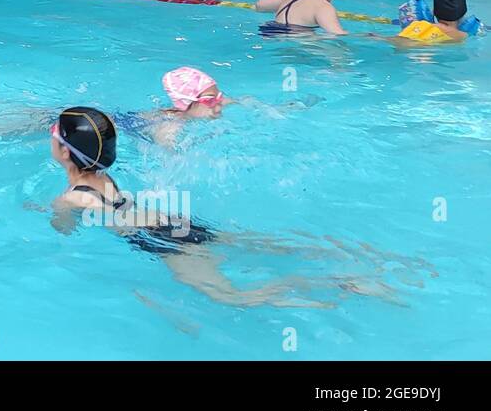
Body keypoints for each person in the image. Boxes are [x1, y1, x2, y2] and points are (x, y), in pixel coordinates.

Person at [47, 107, 388, 308]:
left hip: (160, 241)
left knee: (233, 297)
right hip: (175, 221)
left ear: (64, 152)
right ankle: (334, 256)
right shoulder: (106, 177)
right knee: (254, 244)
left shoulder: (70, 197)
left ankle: (338, 286)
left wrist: (50, 214)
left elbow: (65, 230)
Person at [112, 67, 233, 148]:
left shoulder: (207, 106)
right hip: (121, 125)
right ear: (185, 103)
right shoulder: (170, 127)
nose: (218, 106)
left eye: (219, 97)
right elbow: (169, 157)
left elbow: (239, 101)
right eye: (209, 100)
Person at [391, 0, 480, 44]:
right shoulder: (463, 36)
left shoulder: (420, 26)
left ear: (434, 12)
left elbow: (395, 42)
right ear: (463, 13)